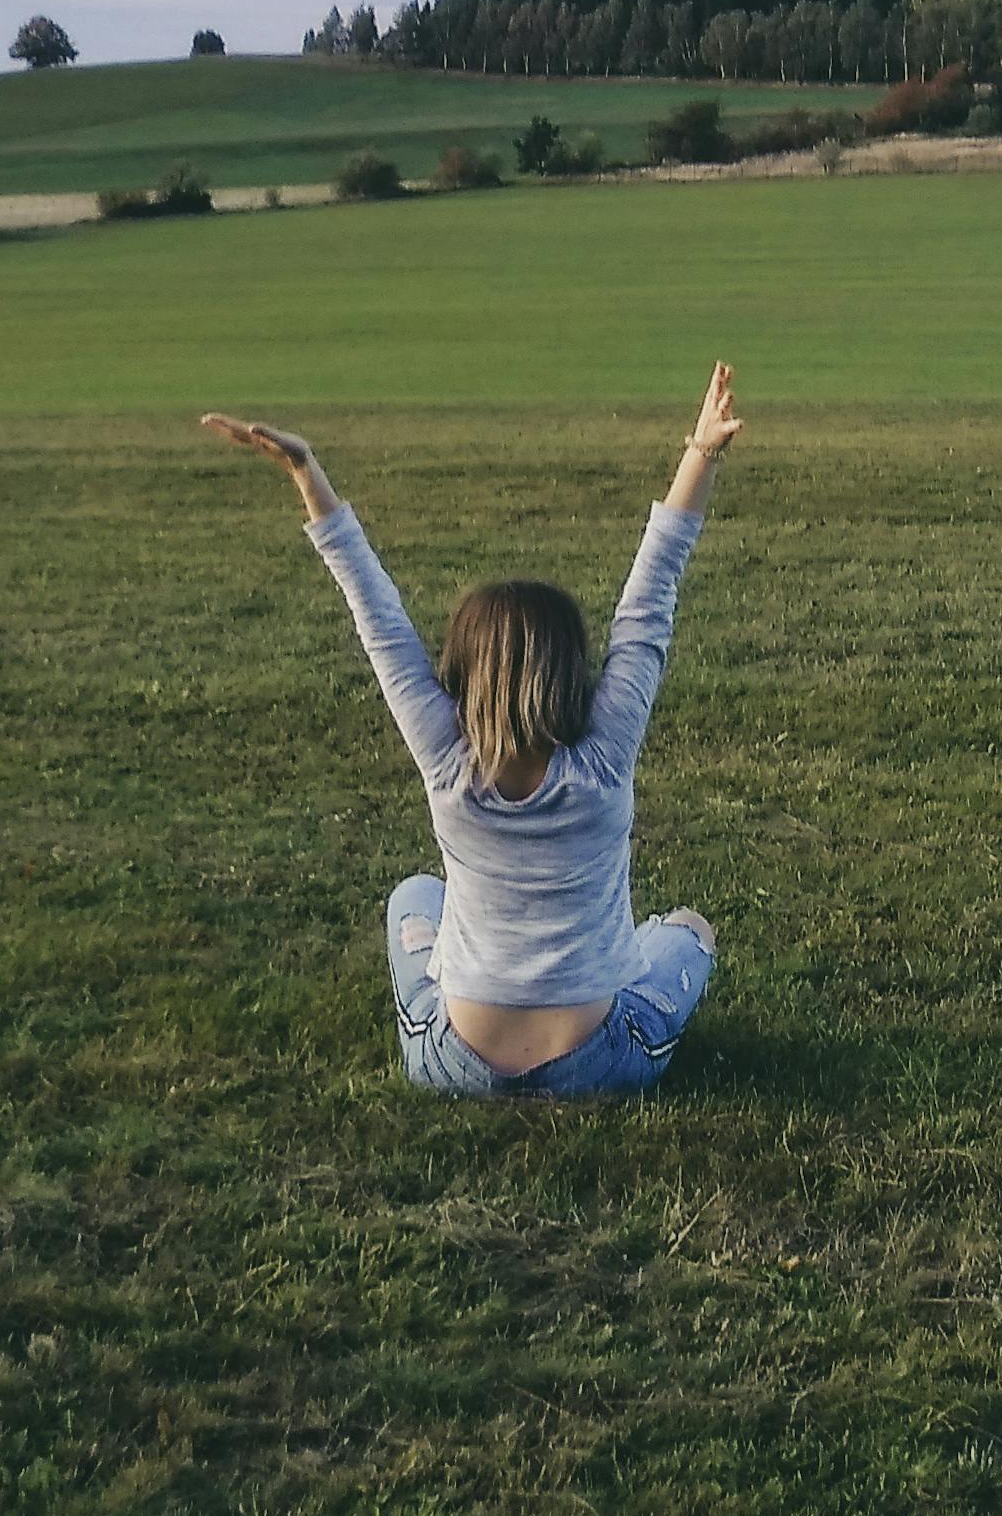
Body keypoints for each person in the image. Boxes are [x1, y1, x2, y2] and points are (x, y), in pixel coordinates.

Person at [201, 363, 746, 1098]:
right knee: (687, 929)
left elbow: (378, 617)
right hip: (595, 1063)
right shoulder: (603, 762)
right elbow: (650, 598)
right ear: (570, 670)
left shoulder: (445, 763)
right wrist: (701, 451)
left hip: (453, 1060)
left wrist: (308, 471)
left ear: (462, 670)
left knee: (413, 897)